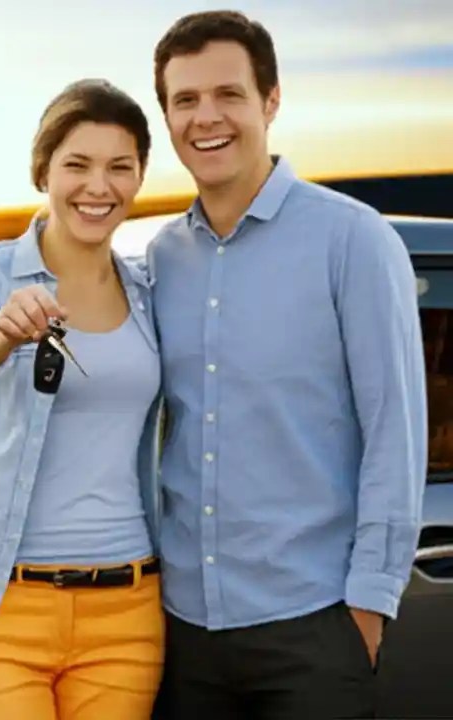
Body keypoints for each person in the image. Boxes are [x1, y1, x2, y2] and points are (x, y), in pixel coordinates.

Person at [142, 10, 428, 719]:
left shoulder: (352, 240)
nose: (206, 118)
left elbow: (395, 433)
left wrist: (368, 604)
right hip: (184, 630)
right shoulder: (161, 259)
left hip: (314, 625)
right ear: (167, 117)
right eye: (185, 100)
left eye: (228, 94)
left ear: (270, 101)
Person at [0, 78, 165, 720]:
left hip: (127, 613)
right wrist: (4, 328)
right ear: (43, 171)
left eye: (120, 167)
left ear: (139, 176)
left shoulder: (151, 292)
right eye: (77, 165)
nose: (98, 186)